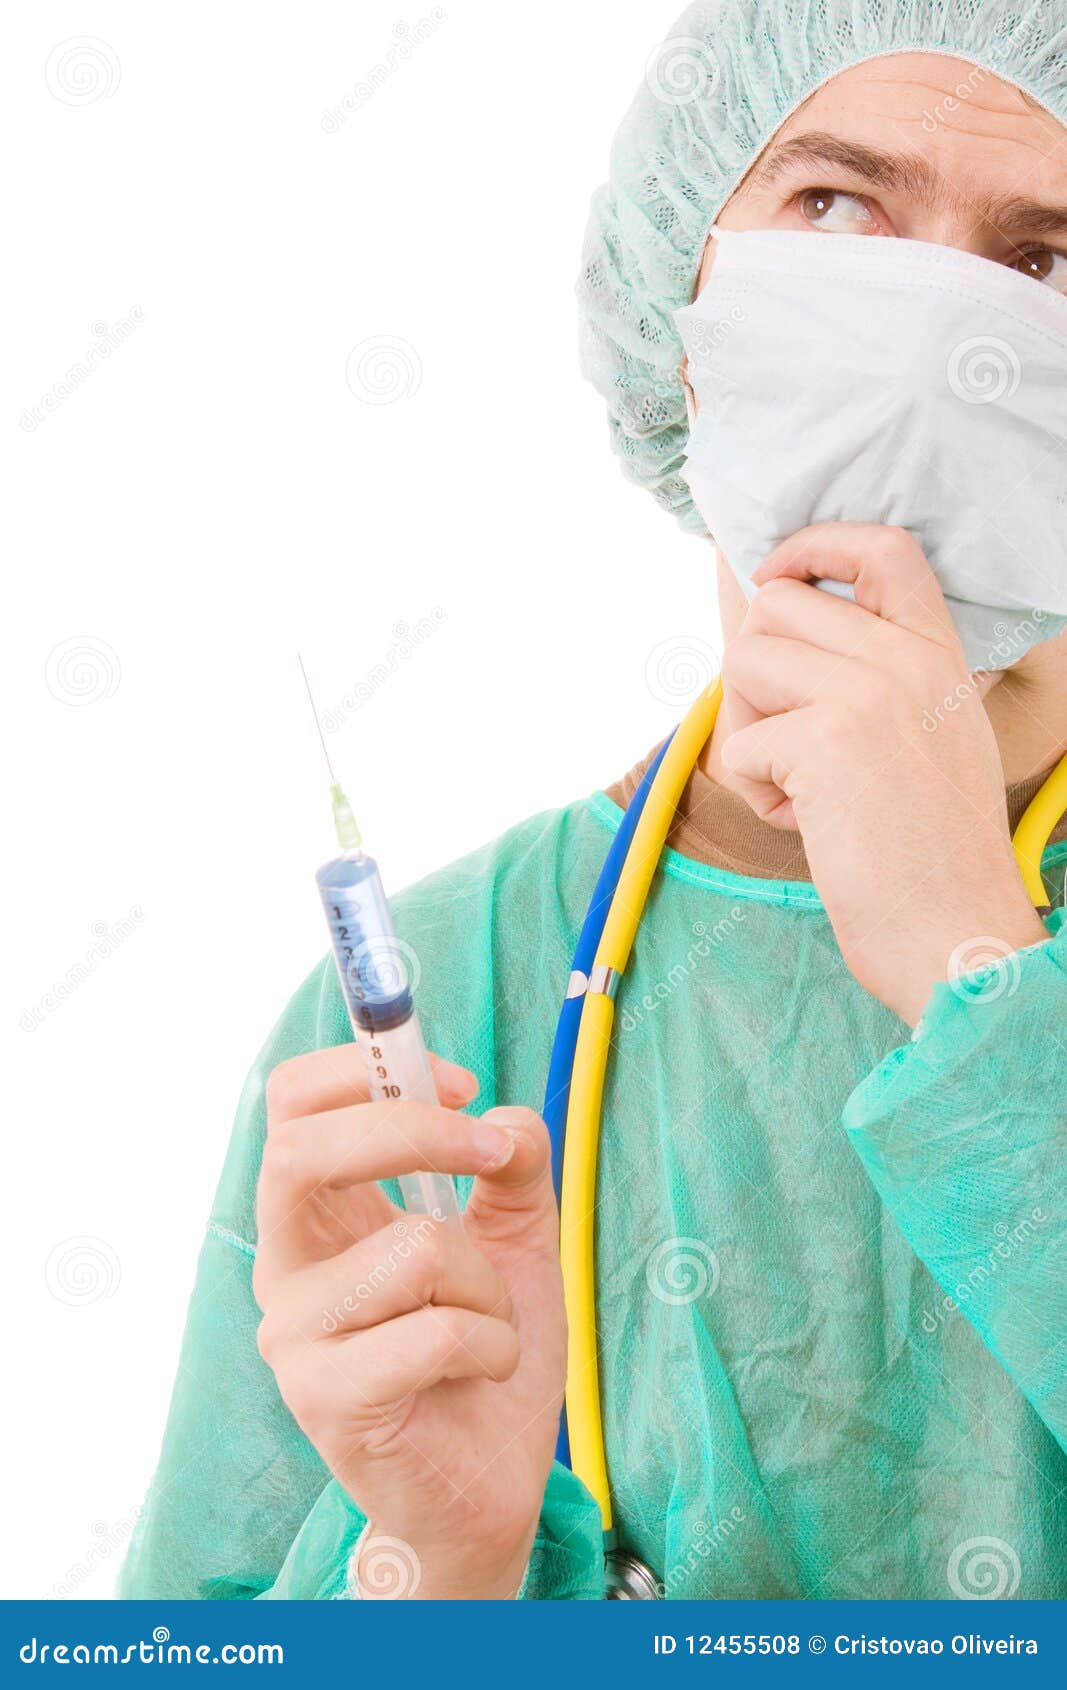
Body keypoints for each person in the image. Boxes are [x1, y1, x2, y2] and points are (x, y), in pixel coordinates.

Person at [121, 2, 1067, 1601]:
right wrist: (440, 1553)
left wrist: (978, 971)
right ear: (679, 304)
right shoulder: (419, 1018)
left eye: (1048, 264)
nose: (932, 333)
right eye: (835, 207)